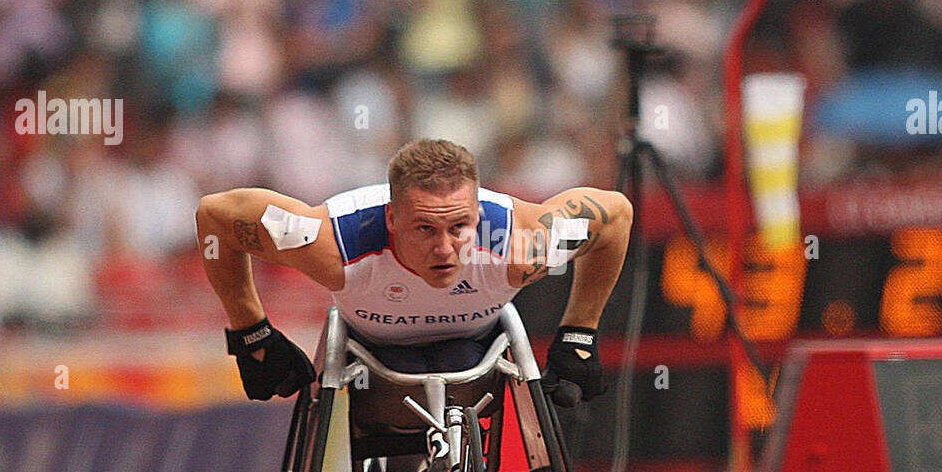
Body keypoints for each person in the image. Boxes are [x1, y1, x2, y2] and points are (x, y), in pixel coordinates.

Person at [195, 138, 632, 418]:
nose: (444, 247)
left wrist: (580, 333)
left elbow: (615, 215)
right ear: (392, 219)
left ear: (478, 216)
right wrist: (251, 333)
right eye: (425, 229)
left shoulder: (516, 247)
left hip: (477, 352)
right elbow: (215, 215)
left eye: (459, 227)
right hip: (373, 360)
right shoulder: (333, 247)